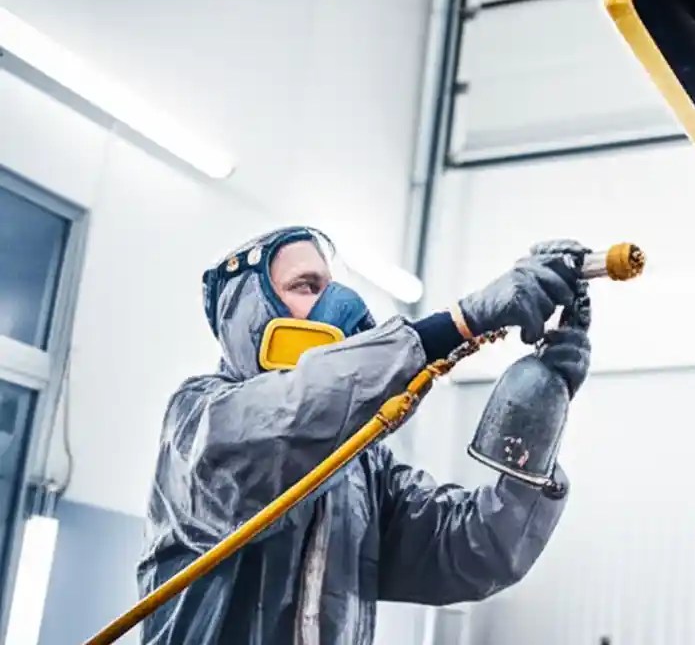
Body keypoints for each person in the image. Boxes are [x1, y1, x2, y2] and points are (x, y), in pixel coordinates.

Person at [137, 226, 592, 644]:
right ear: (250, 311)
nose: (336, 303)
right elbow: (290, 418)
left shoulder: (361, 471)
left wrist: (541, 405)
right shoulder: (199, 420)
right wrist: (456, 324)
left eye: (329, 285)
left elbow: (475, 551)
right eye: (306, 286)